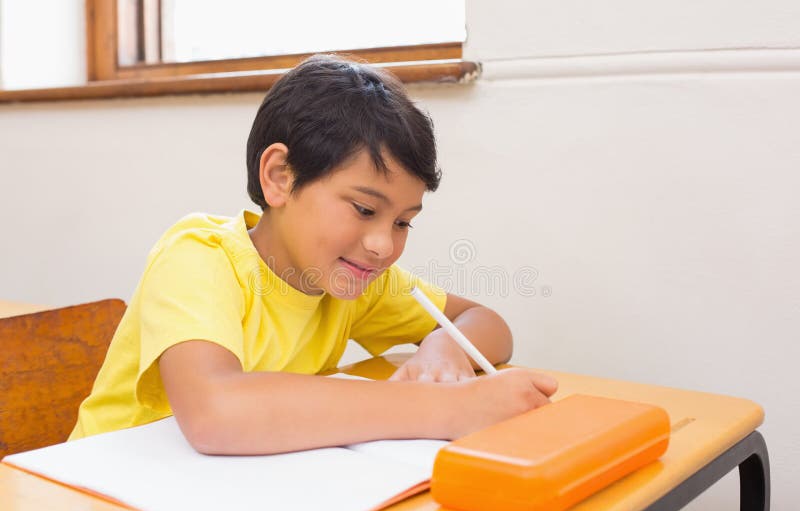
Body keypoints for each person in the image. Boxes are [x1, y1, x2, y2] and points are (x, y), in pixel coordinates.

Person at [69, 54, 558, 454]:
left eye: (403, 222)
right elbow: (215, 413)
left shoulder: (353, 279)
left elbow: (487, 323)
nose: (383, 245)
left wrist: (443, 347)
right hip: (91, 497)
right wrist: (450, 409)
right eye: (364, 208)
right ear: (280, 177)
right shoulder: (198, 256)